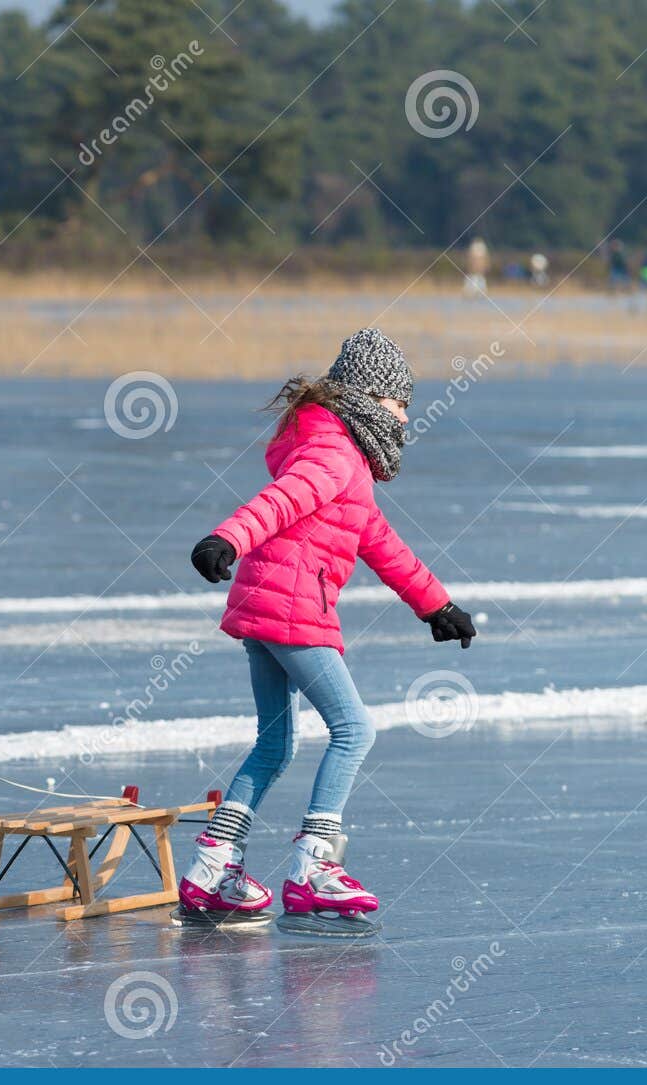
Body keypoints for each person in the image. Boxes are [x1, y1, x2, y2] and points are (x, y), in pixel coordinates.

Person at [178, 328, 476, 928]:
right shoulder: (333, 454)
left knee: (275, 743)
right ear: (371, 395)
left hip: (266, 607)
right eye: (401, 401)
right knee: (354, 729)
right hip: (293, 609)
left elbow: (380, 543)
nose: (405, 414)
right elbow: (280, 501)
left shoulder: (340, 452)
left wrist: (435, 606)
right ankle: (315, 866)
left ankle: (213, 865)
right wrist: (225, 538)